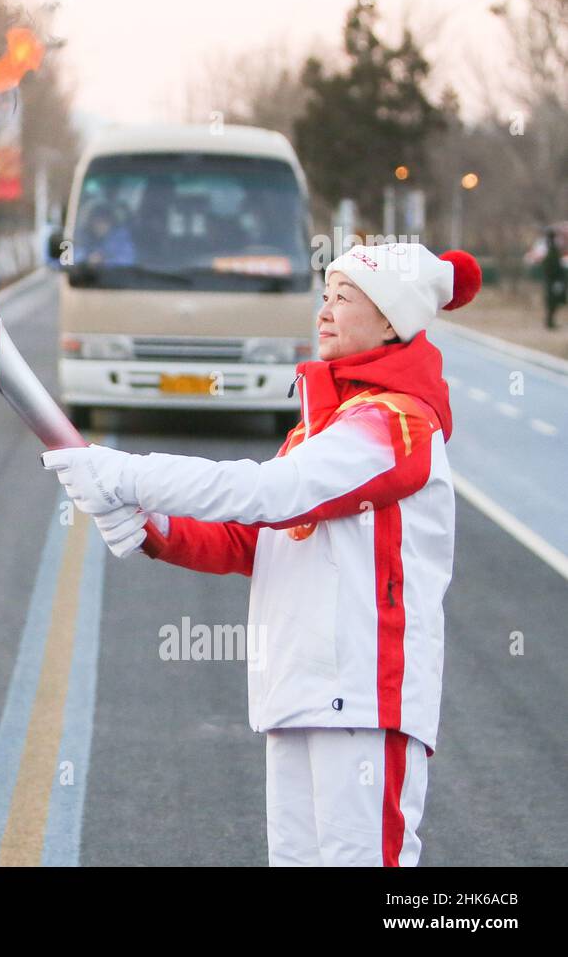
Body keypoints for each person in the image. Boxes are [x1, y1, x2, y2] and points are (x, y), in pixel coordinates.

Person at [44, 242, 483, 867]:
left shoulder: (398, 424)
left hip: (366, 698)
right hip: (295, 692)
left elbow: (272, 493)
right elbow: (251, 538)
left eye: (344, 298)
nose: (323, 311)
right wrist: (152, 527)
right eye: (325, 296)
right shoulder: (319, 432)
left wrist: (128, 474)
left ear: (391, 321)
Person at [542, 226, 565, 330]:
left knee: (553, 302)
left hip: (553, 280)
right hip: (553, 280)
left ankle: (550, 321)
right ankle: (549, 322)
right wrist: (557, 279)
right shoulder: (551, 249)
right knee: (552, 302)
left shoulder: (551, 248)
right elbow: (552, 266)